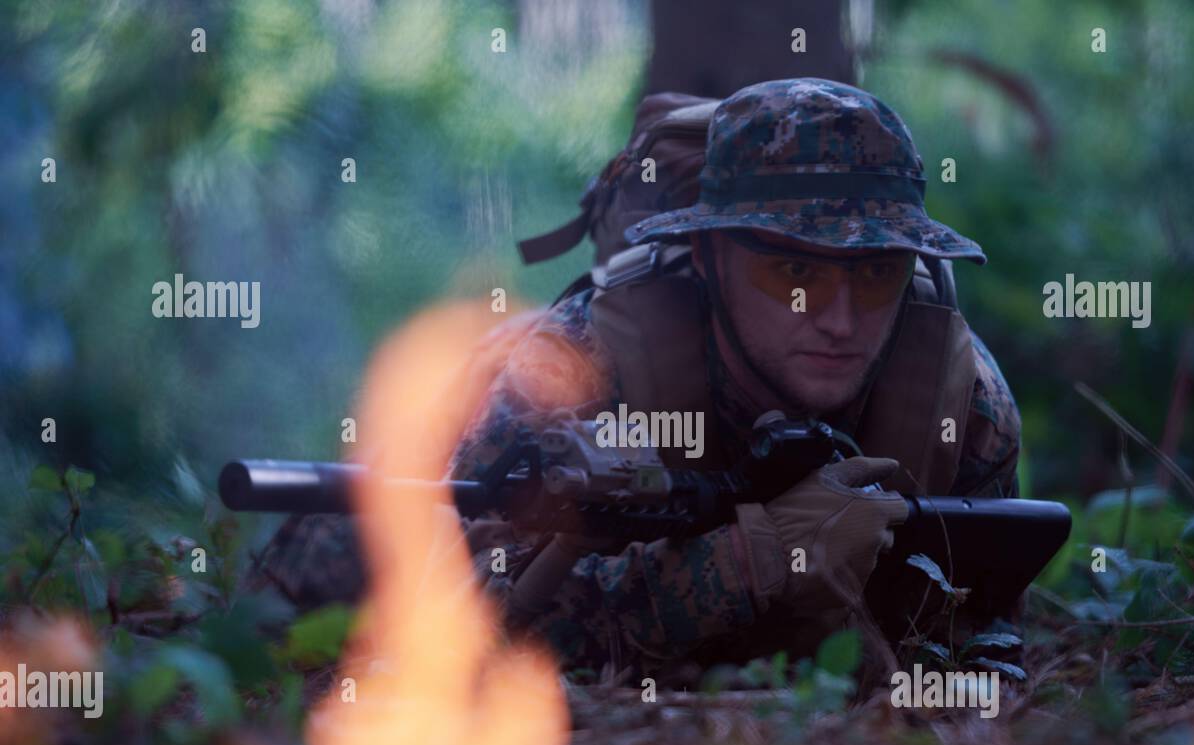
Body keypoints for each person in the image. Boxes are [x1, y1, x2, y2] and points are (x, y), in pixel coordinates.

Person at [257, 78, 1022, 687]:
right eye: (795, 272)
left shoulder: (962, 401)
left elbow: (980, 637)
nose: (840, 320)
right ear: (707, 258)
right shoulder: (568, 371)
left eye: (878, 273)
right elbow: (474, 642)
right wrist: (756, 558)